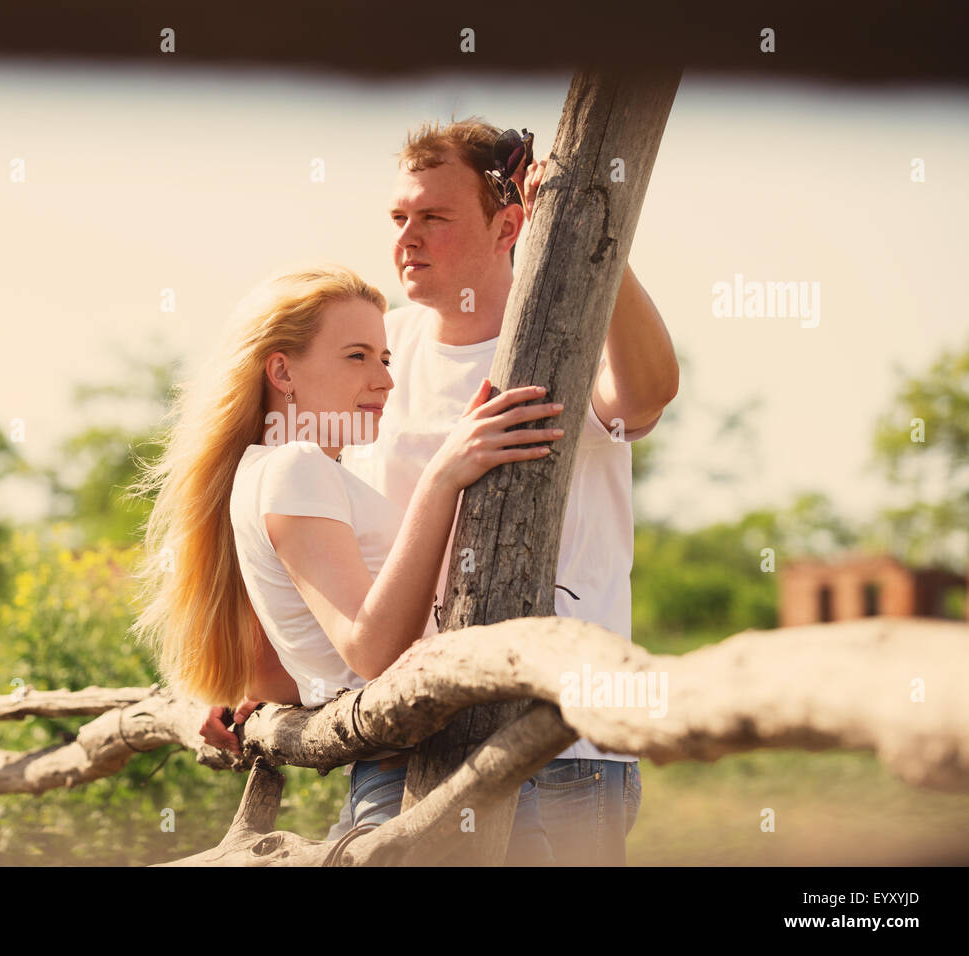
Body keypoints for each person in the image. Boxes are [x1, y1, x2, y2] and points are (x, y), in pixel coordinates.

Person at [202, 117, 679, 865]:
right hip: (405, 735)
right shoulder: (372, 354)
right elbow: (297, 520)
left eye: (435, 217)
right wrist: (248, 674)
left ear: (510, 225)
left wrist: (587, 236)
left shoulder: (570, 331)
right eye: (399, 217)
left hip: (560, 741)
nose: (407, 238)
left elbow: (648, 395)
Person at [130, 265, 569, 865]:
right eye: (357, 356)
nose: (384, 380)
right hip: (426, 788)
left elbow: (281, 677)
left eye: (386, 358)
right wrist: (443, 478)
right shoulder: (297, 467)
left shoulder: (273, 473)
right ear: (282, 370)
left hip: (410, 781)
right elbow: (371, 651)